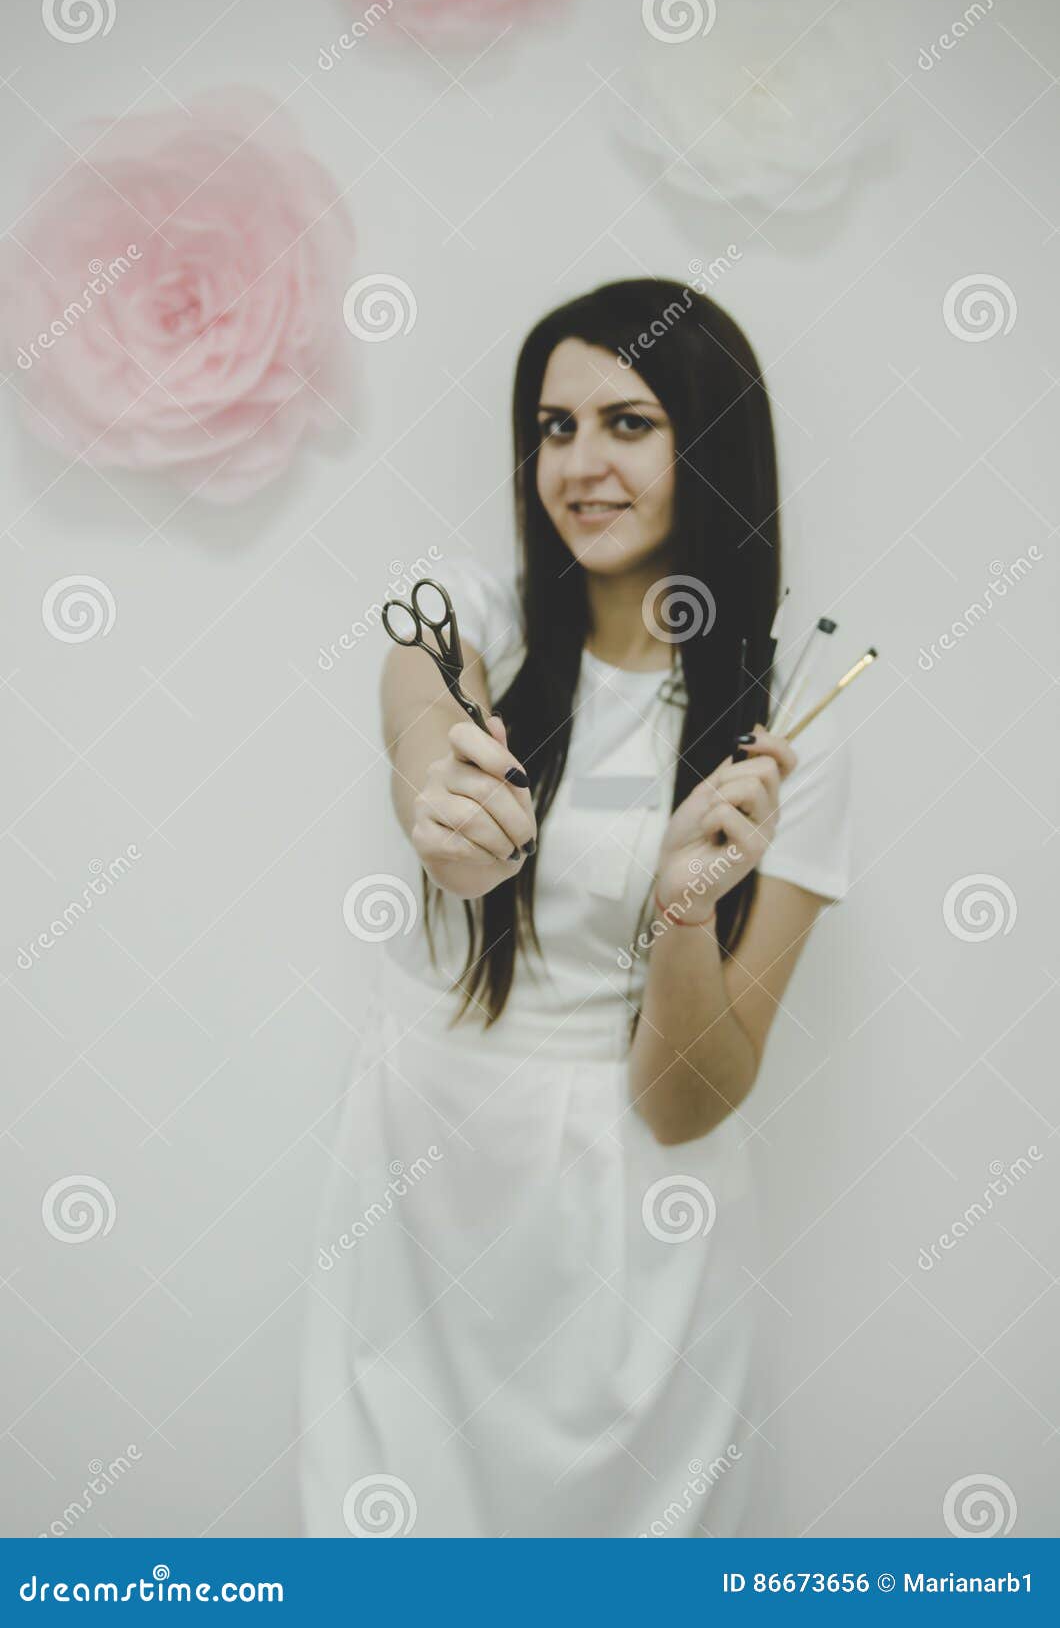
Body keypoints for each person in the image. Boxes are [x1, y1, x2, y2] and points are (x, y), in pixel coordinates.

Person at [298, 278, 852, 1538]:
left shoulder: (791, 727)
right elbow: (420, 698)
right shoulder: (481, 616)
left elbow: (686, 1102)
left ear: (708, 442)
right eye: (554, 427)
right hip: (425, 1177)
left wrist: (683, 911)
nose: (578, 465)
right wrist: (436, 782)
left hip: (637, 1216)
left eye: (627, 424)